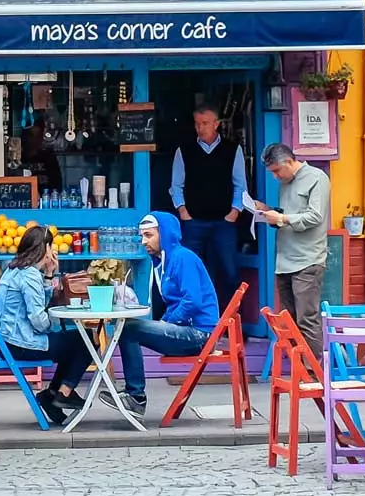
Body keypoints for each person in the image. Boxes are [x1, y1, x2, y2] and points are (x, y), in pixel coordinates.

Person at [103, 213, 221, 417]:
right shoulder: (164, 262)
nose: (143, 242)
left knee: (129, 328)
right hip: (189, 331)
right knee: (127, 328)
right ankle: (135, 395)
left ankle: (136, 396)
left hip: (199, 335)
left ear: (164, 234)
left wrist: (167, 321)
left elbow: (192, 302)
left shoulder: (182, 258)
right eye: (142, 236)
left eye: (149, 235)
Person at [0, 227, 89, 426]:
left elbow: (36, 304)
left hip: (9, 342)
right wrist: (53, 326)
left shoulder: (14, 270)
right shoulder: (29, 275)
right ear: (45, 248)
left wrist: (49, 274)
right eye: (51, 245)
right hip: (21, 344)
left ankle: (54, 395)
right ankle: (62, 394)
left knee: (74, 343)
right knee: (87, 339)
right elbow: (38, 321)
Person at [252, 142, 332, 358]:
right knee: (289, 319)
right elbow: (288, 216)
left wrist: (283, 218)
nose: (276, 177)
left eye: (277, 171)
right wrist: (268, 212)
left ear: (289, 161)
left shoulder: (317, 178)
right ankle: (300, 370)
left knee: (307, 318)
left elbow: (315, 216)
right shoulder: (285, 183)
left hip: (307, 259)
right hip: (284, 260)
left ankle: (315, 372)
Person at [168, 101, 245, 310]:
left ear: (216, 124)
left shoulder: (232, 150)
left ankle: (231, 323)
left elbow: (240, 186)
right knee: (194, 272)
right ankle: (200, 322)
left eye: (205, 123)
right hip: (194, 223)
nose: (200, 128)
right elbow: (176, 186)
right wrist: (183, 212)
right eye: (197, 123)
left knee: (230, 272)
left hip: (224, 222)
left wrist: (234, 212)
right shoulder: (184, 150)